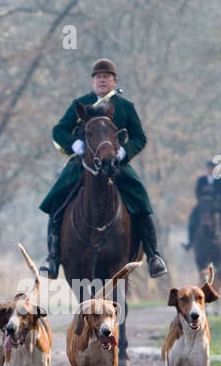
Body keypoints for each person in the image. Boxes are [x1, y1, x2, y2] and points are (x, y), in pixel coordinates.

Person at [38, 58, 168, 279]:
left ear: (114, 81)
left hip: (116, 165)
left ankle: (153, 255)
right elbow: (59, 130)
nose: (102, 81)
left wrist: (124, 152)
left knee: (140, 198)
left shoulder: (126, 107)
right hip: (83, 164)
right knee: (55, 200)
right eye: (98, 78)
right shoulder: (80, 104)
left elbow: (139, 137)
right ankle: (52, 257)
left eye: (106, 77)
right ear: (93, 82)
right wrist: (74, 145)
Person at [185, 159, 221, 252]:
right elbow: (197, 193)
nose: (210, 170)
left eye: (212, 168)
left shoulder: (220, 180)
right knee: (192, 218)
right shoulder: (201, 180)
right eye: (209, 168)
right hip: (203, 205)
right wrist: (204, 200)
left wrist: (217, 200)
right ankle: (190, 242)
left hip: (218, 206)